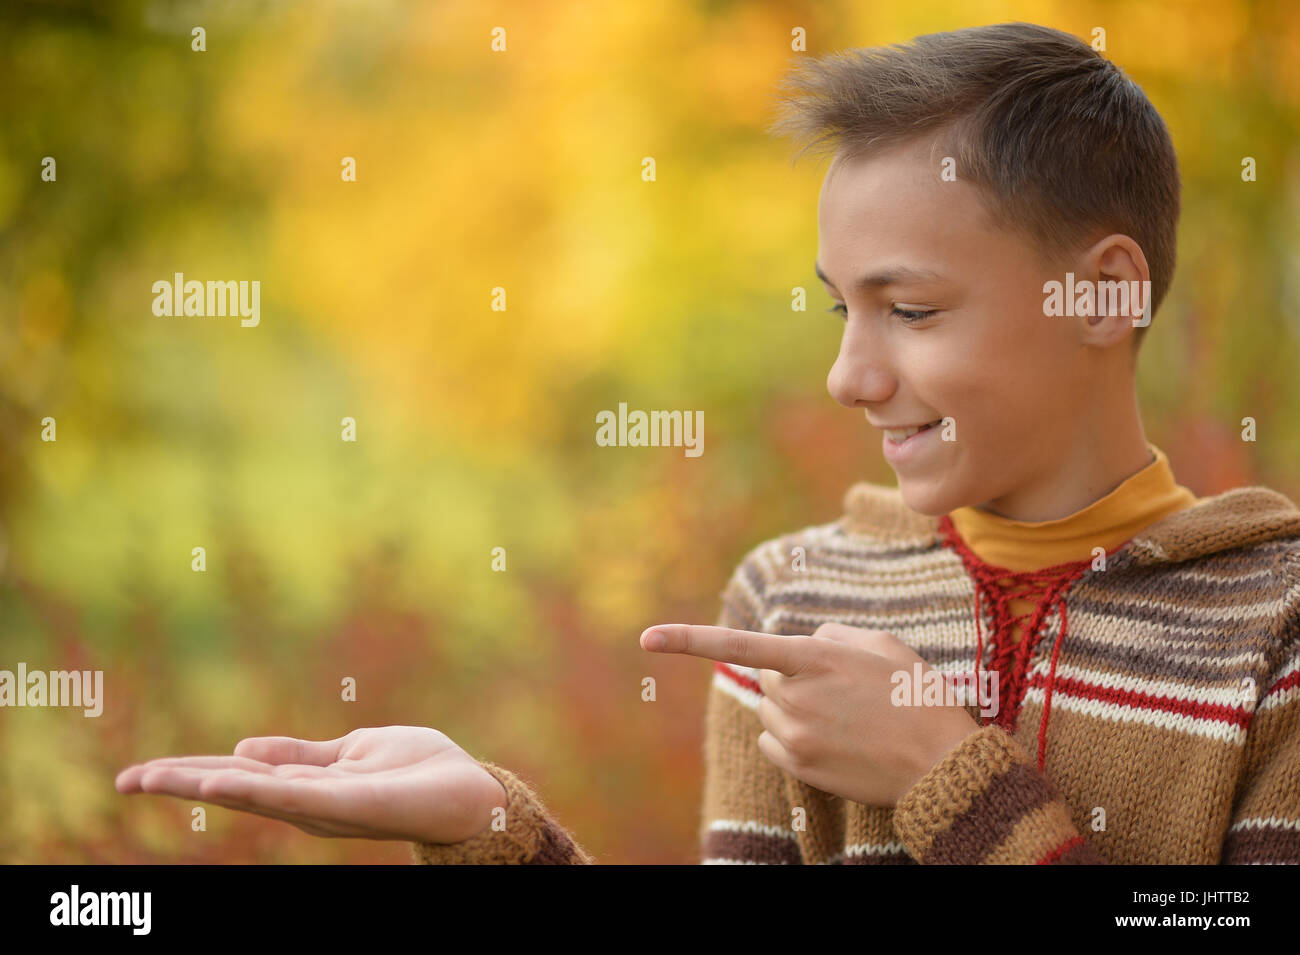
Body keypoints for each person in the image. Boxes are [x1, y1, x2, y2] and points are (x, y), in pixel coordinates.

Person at [116, 22, 1300, 864]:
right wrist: (486, 829)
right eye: (843, 308)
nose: (849, 374)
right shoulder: (790, 602)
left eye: (914, 310)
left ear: (1098, 299)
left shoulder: (1275, 628)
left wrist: (950, 783)